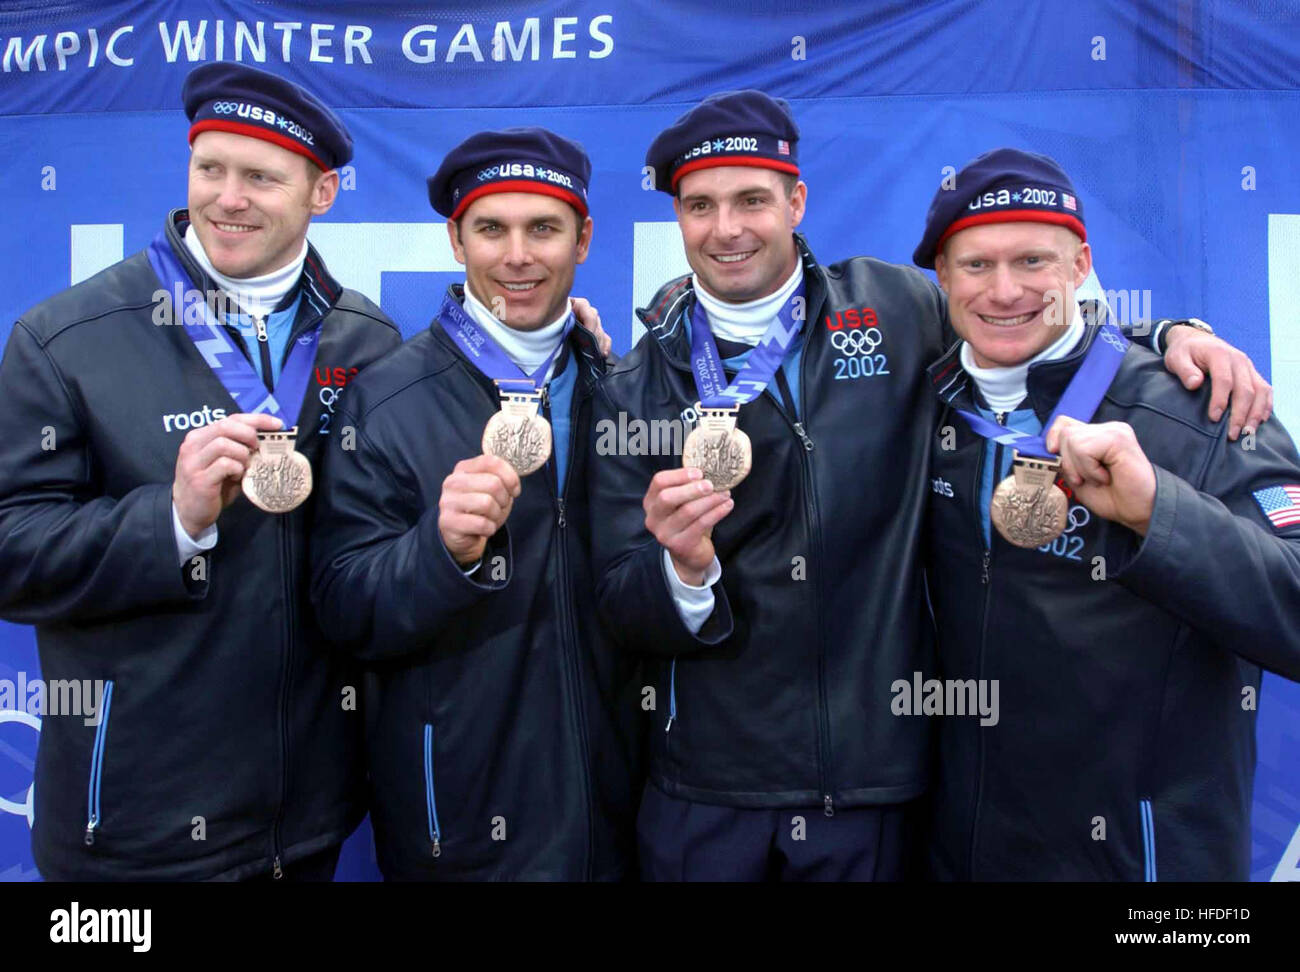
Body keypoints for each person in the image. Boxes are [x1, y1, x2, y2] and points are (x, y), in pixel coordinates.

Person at [588, 90, 1272, 881]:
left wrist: (1175, 334)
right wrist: (682, 571)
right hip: (706, 785)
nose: (728, 228)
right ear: (676, 217)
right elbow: (616, 599)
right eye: (700, 206)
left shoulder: (895, 309)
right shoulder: (633, 382)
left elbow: (1034, 329)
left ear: (797, 200)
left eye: (752, 199)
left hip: (880, 782)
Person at [0, 63, 404, 880]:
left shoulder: (365, 339)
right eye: (209, 168)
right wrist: (172, 519)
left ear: (320, 193)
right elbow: (11, 554)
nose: (227, 198)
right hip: (132, 835)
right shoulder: (66, 336)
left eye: (260, 176)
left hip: (306, 820)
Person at [915, 147, 1300, 880]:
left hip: (1147, 866)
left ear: (1080, 263)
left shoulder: (1202, 405)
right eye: (975, 266)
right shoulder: (925, 402)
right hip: (964, 854)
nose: (1003, 291)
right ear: (941, 277)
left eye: (1033, 261)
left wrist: (1159, 511)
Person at [310, 128, 638, 880]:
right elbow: (340, 605)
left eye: (544, 228)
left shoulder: (620, 387)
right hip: (456, 825)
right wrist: (438, 552)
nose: (517, 256)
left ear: (582, 240)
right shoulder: (386, 398)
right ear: (456, 240)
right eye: (491, 228)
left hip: (617, 814)